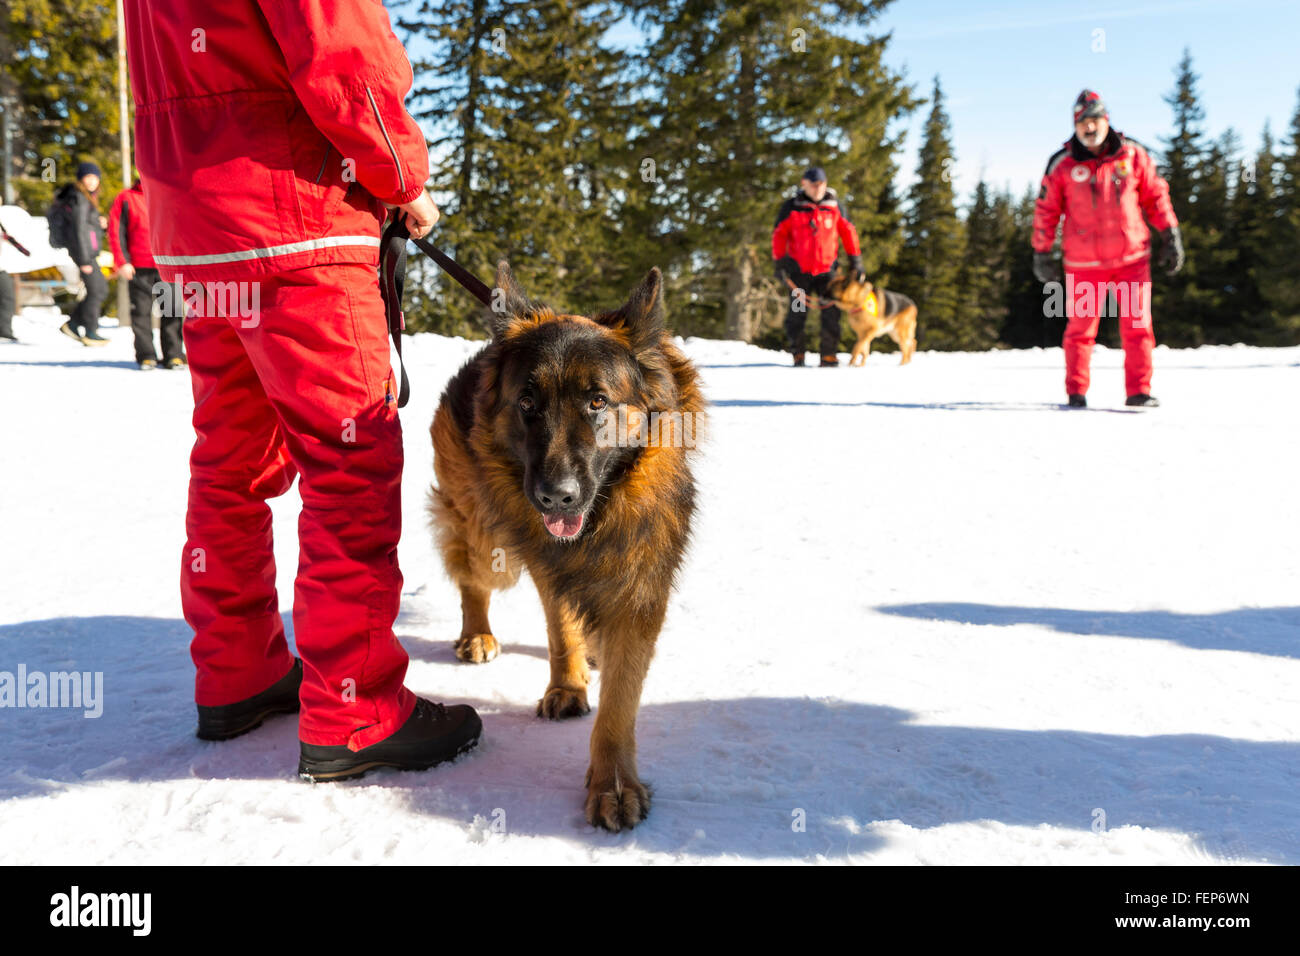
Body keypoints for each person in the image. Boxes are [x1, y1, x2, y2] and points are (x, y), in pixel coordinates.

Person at [122, 0, 481, 776]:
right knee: (348, 457)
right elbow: (343, 50)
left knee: (230, 459)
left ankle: (236, 672)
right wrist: (403, 179)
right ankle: (355, 710)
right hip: (297, 216)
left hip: (194, 223)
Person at [1032, 90, 1183, 408]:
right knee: (1080, 331)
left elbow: (1155, 196)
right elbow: (1046, 211)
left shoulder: (1132, 154)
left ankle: (1139, 391)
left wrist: (1170, 235)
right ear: (1075, 126)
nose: (1089, 127)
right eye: (1082, 122)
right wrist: (1042, 252)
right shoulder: (1062, 163)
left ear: (1106, 120)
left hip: (1132, 259)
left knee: (1138, 327)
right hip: (1084, 263)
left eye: (1094, 120)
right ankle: (1076, 392)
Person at [771, 166, 864, 367]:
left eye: (821, 184)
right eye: (813, 185)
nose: (817, 188)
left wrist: (856, 260)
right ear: (804, 184)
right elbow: (779, 235)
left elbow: (849, 233)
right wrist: (780, 263)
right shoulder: (791, 207)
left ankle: (829, 355)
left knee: (831, 314)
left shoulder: (835, 206)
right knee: (797, 314)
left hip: (828, 272)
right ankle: (798, 354)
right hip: (798, 273)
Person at [109, 177, 184, 369]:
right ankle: (146, 355)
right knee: (141, 312)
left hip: (168, 265)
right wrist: (122, 262)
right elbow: (116, 231)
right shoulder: (126, 198)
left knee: (172, 310)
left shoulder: (170, 194)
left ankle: (173, 355)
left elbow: (182, 228)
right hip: (139, 266)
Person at [55, 161, 110, 347]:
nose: (92, 181)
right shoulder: (80, 198)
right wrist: (84, 259)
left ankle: (74, 324)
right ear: (81, 179)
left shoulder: (87, 198)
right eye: (88, 177)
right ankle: (90, 330)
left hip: (88, 252)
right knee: (97, 291)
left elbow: (88, 228)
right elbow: (79, 230)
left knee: (99, 289)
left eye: (95, 177)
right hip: (84, 254)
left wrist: (100, 225)